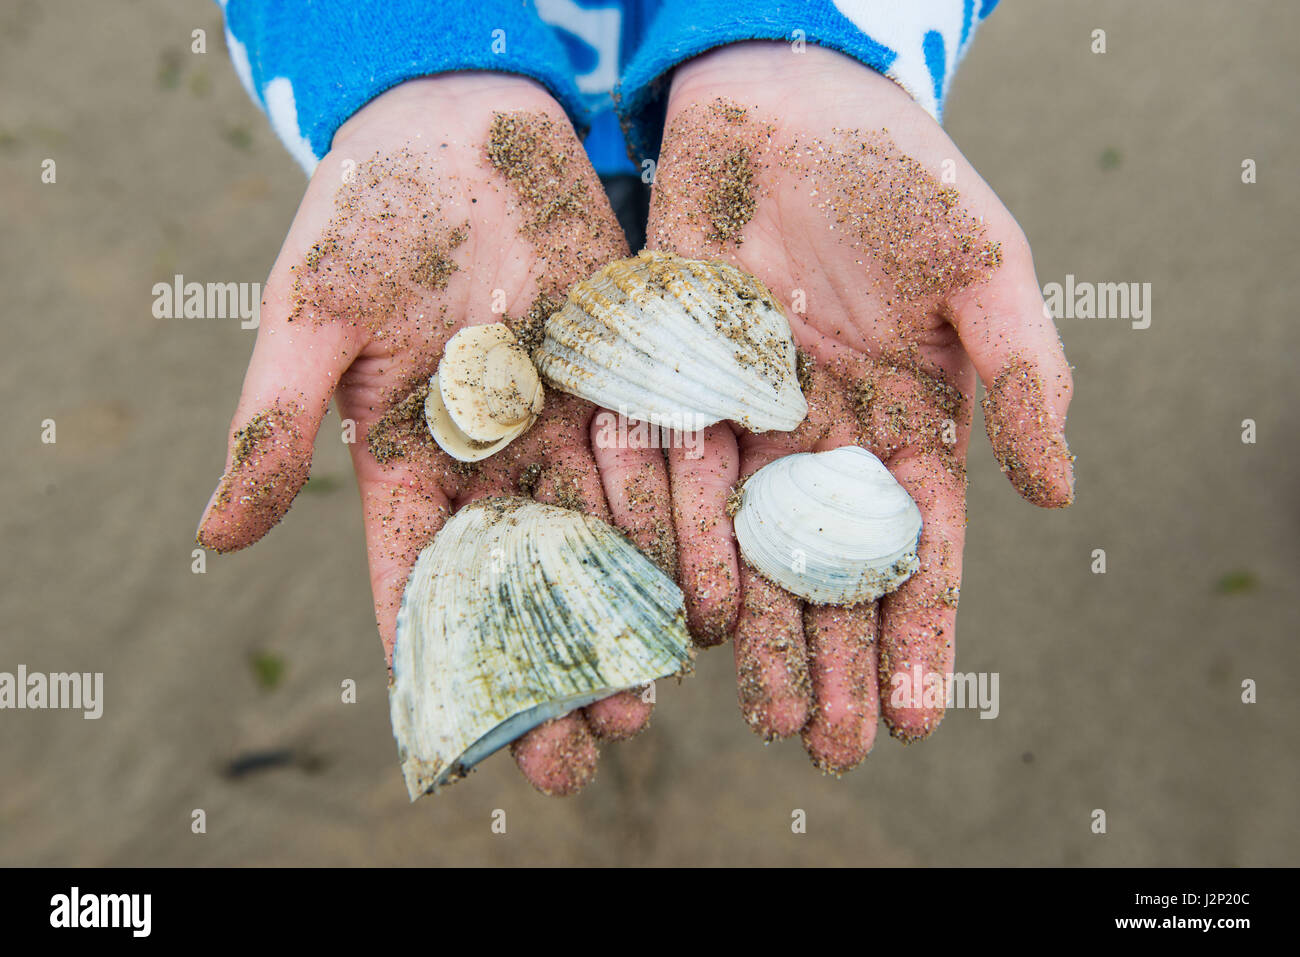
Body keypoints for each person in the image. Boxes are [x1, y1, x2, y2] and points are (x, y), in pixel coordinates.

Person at [199, 0, 1074, 795]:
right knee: (590, 357)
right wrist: (410, 66)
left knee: (640, 382)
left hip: (749, 137)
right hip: (470, 157)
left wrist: (796, 36)